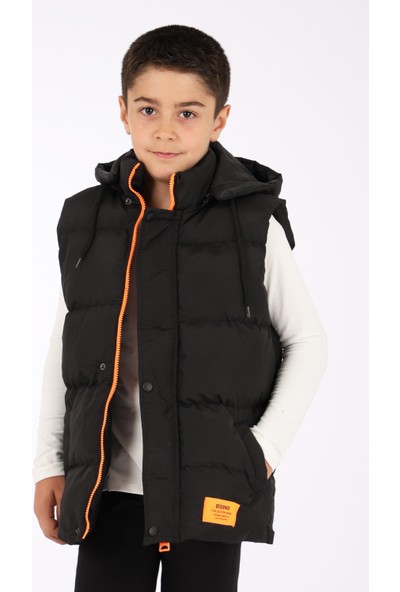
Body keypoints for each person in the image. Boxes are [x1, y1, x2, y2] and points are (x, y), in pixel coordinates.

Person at [33, 24, 328, 592]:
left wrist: (262, 450)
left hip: (209, 483)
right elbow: (65, 346)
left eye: (188, 113)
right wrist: (49, 462)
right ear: (123, 111)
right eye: (148, 109)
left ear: (220, 120)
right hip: (107, 488)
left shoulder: (251, 225)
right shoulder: (88, 220)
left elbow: (307, 341)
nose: (165, 129)